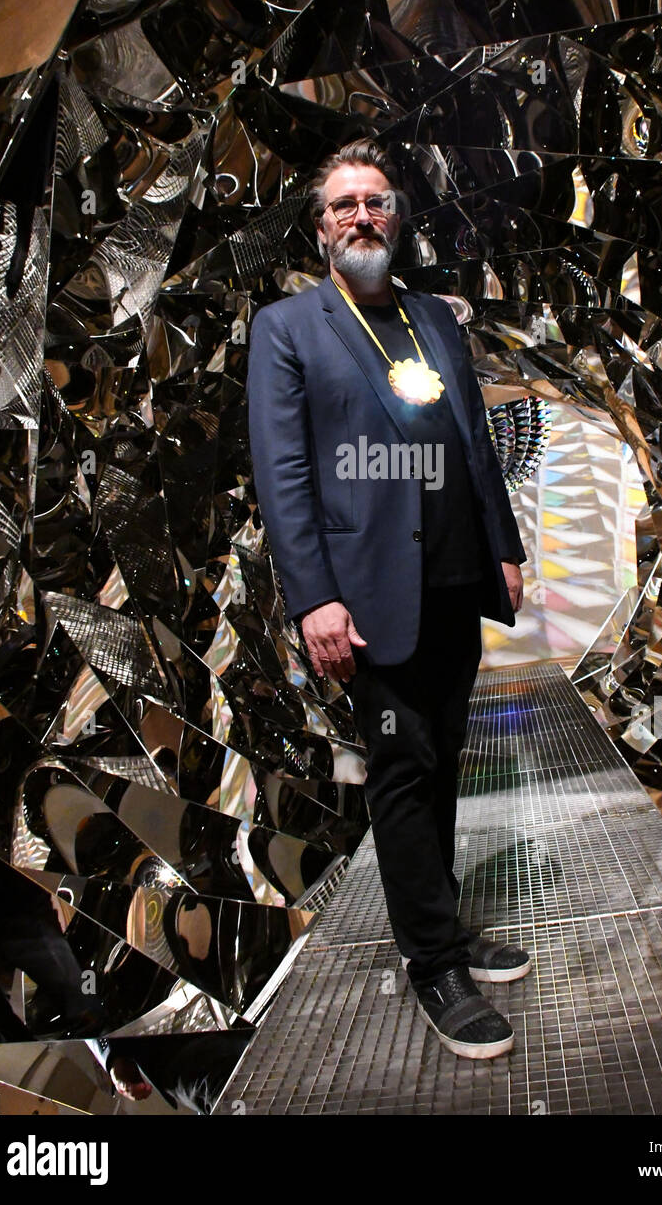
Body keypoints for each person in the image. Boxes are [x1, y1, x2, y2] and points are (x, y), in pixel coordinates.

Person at [247, 138, 530, 1059]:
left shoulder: (432, 318)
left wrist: (505, 546)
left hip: (454, 579)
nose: (361, 215)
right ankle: (433, 965)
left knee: (444, 760)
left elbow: (474, 439)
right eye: (343, 205)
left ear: (396, 220)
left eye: (375, 202)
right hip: (367, 594)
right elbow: (283, 473)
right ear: (322, 228)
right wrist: (313, 600)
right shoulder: (289, 328)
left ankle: (441, 922)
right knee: (403, 773)